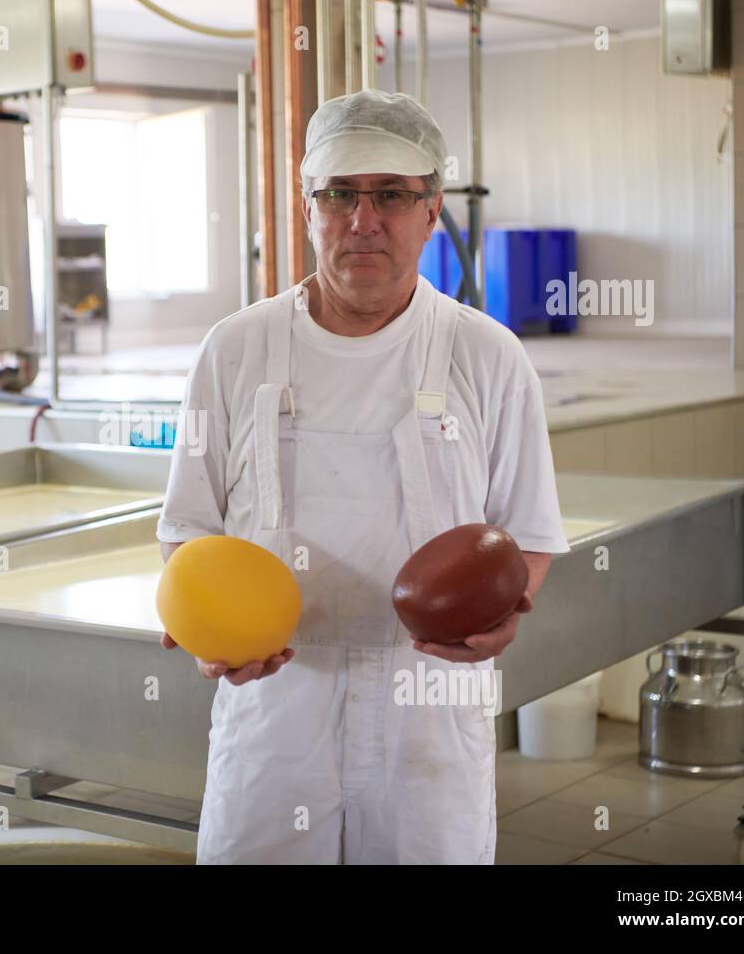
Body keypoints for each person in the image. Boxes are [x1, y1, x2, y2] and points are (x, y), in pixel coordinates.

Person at [156, 89, 570, 864]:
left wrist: (506, 609)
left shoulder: (487, 356)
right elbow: (188, 529)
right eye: (340, 193)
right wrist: (206, 629)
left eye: (391, 194)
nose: (363, 219)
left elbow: (529, 535)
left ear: (431, 210)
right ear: (309, 207)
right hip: (277, 699)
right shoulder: (235, 349)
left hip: (430, 704)